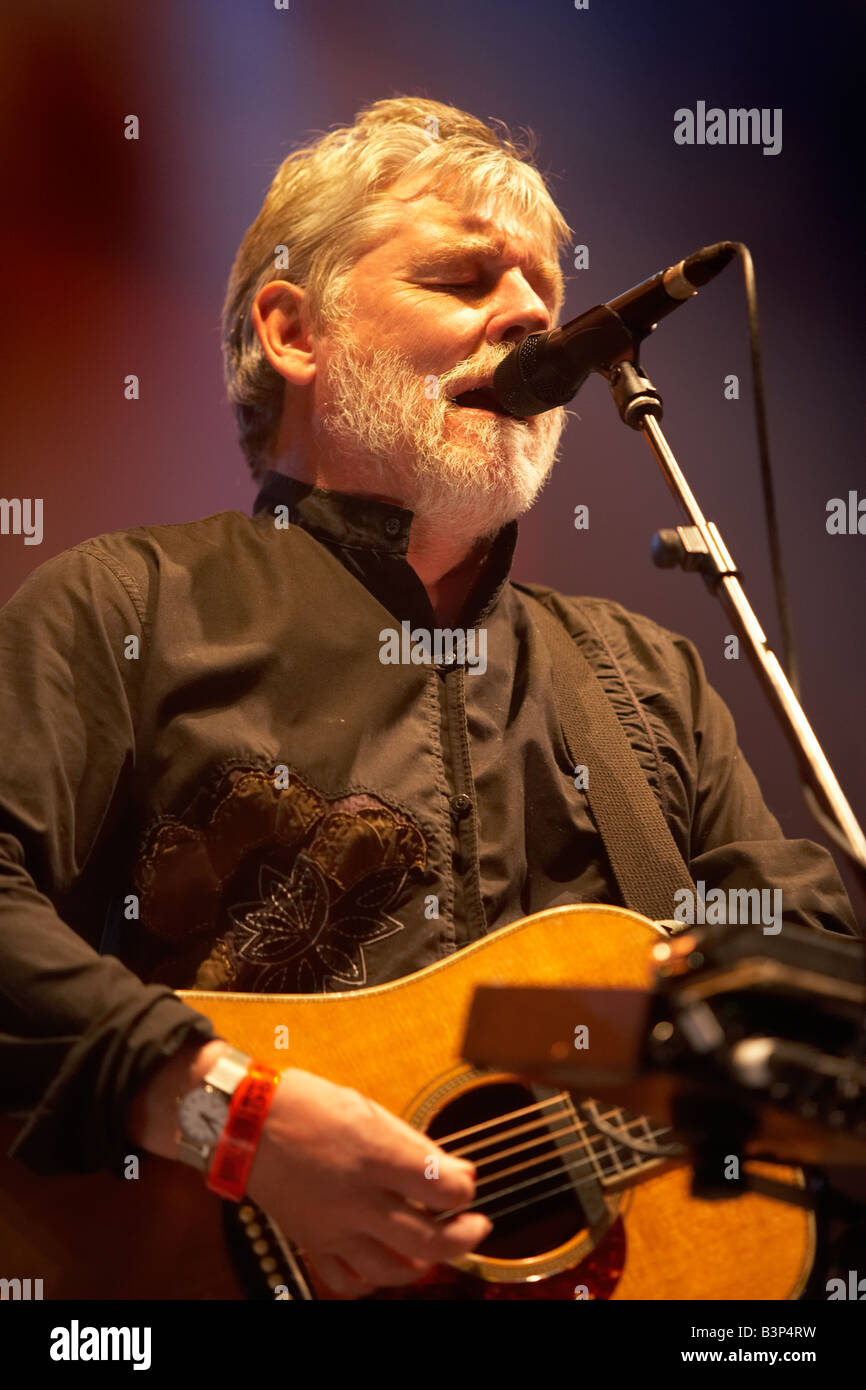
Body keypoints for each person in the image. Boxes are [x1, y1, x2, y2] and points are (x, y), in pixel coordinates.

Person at [0, 96, 858, 1301]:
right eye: (463, 280)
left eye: (543, 302)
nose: (526, 317)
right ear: (294, 331)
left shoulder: (646, 680)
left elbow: (791, 975)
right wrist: (228, 1121)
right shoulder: (122, 604)